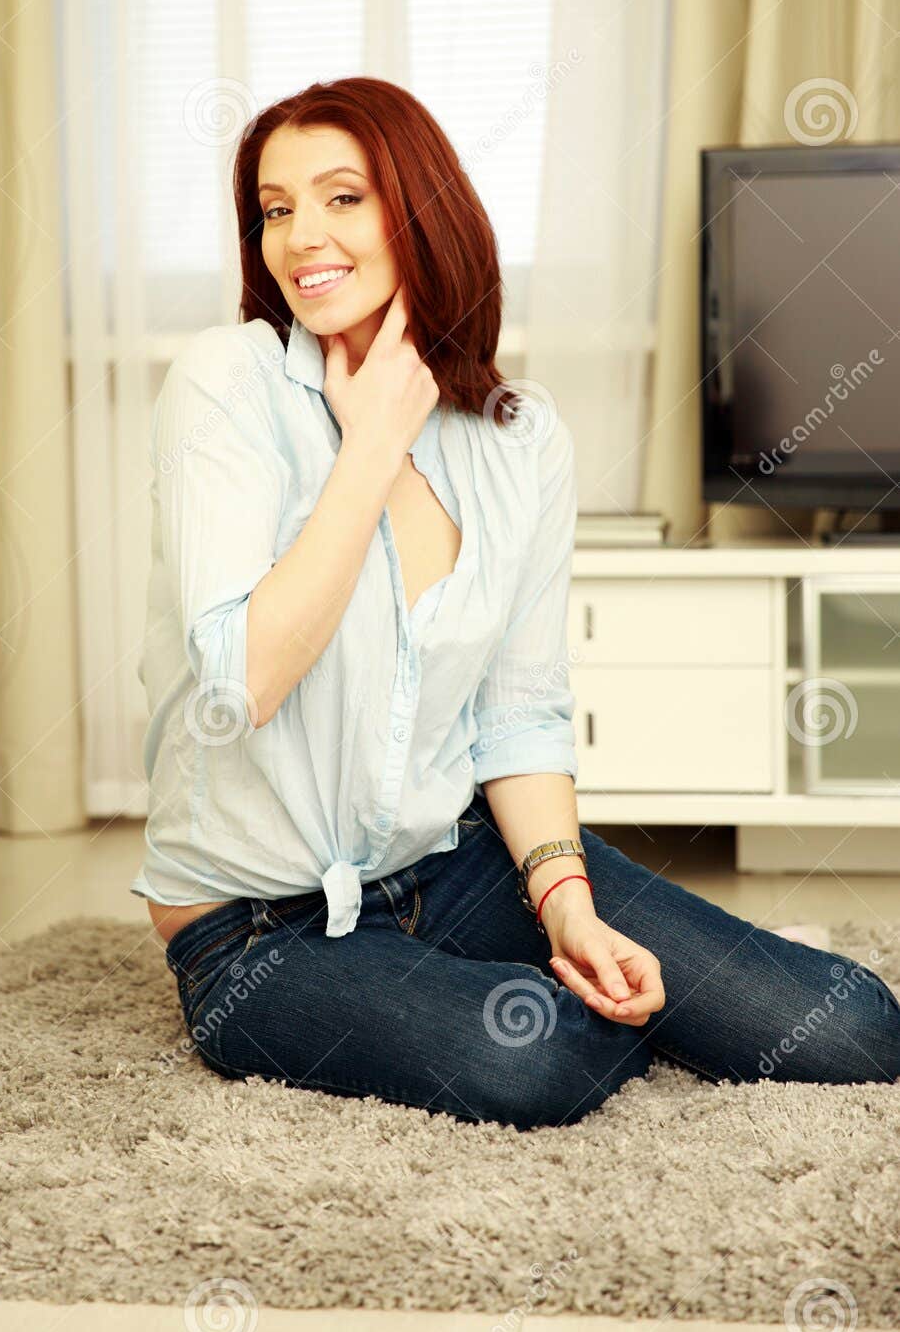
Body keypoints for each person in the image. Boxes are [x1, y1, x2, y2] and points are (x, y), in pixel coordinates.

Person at [131, 76, 900, 1130]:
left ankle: (494, 958)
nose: (300, 233)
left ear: (420, 210)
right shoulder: (227, 384)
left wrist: (566, 906)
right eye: (274, 208)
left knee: (853, 1027)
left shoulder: (515, 434)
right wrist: (368, 447)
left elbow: (516, 711)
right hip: (259, 931)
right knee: (546, 1054)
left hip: (449, 863)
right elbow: (242, 679)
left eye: (341, 197)